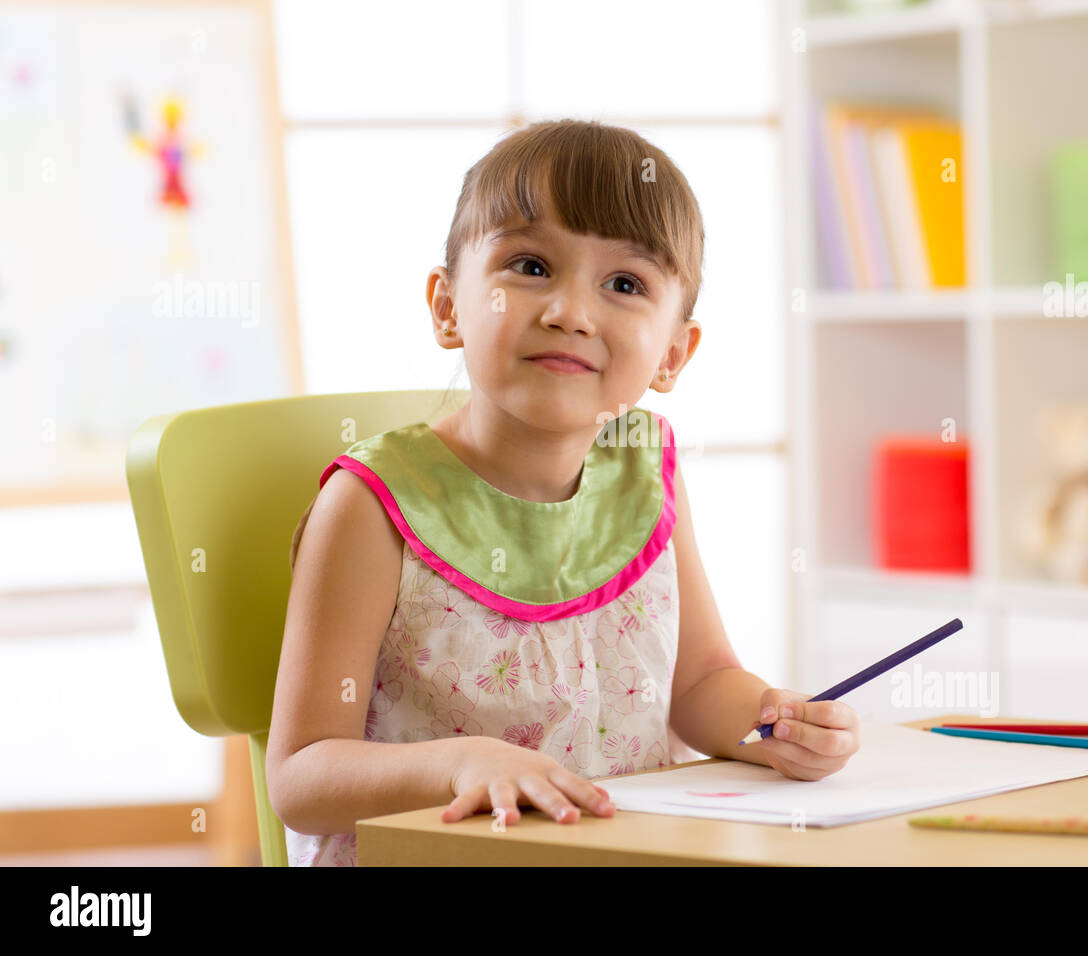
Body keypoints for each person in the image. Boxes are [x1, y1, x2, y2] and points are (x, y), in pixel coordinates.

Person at [267, 119, 861, 866]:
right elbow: (301, 774)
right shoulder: (374, 504)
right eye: (529, 265)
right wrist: (463, 763)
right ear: (448, 307)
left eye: (624, 284)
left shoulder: (648, 468)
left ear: (674, 352)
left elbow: (703, 684)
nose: (570, 313)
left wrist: (774, 724)